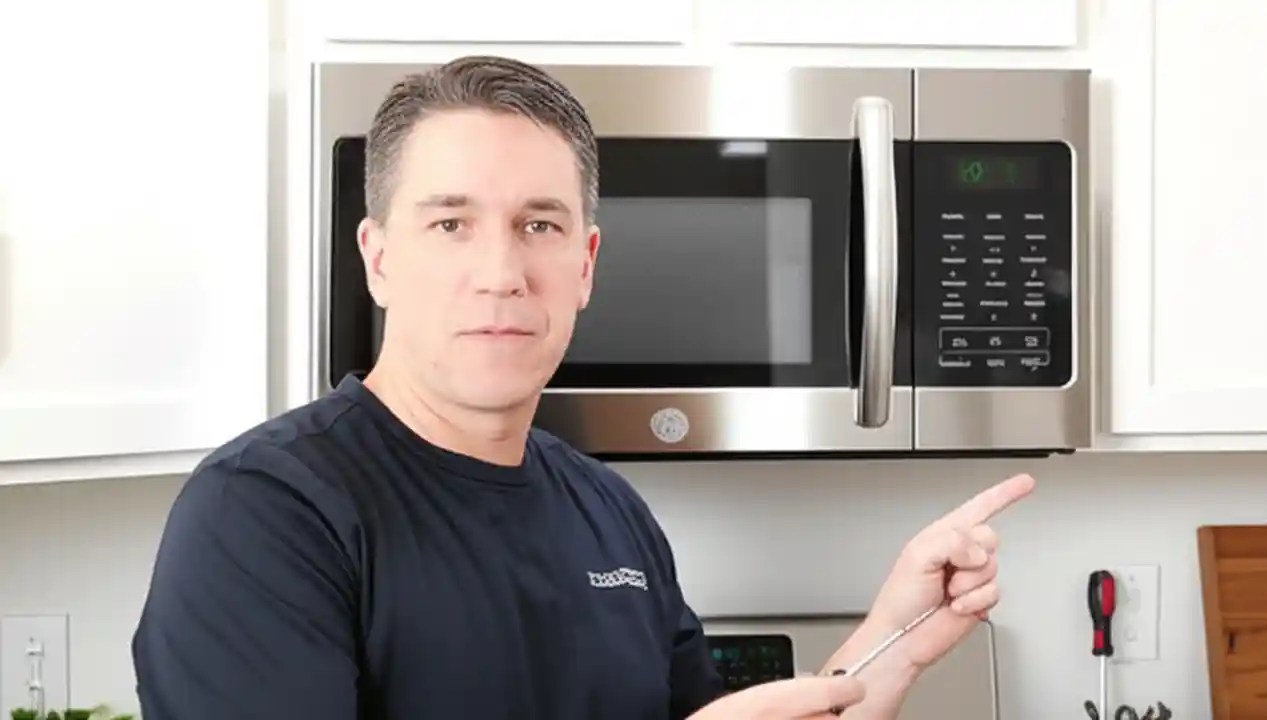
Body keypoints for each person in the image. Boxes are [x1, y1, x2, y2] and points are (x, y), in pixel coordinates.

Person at [131, 55, 1035, 719]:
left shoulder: (608, 508)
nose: (501, 271)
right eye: (451, 223)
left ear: (586, 265)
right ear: (376, 258)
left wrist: (887, 649)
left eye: (540, 224)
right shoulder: (264, 513)